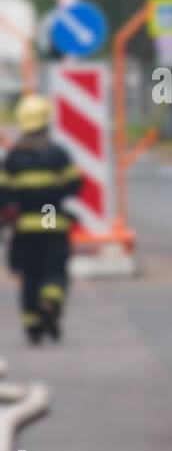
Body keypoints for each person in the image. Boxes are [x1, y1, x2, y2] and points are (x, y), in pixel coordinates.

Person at [1, 94, 81, 344]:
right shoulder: (58, 153)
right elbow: (74, 185)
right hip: (53, 223)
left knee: (30, 278)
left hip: (25, 228)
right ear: (46, 121)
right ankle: (51, 302)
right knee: (55, 271)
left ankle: (33, 327)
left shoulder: (12, 158)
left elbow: (3, 194)